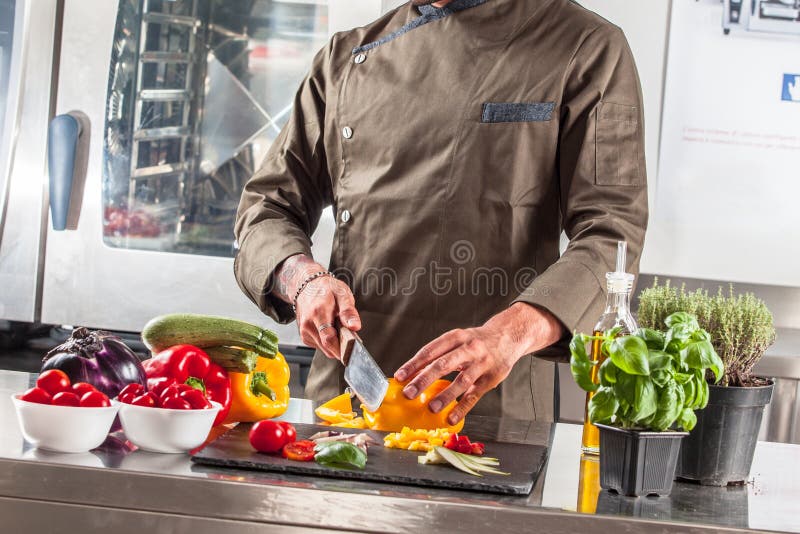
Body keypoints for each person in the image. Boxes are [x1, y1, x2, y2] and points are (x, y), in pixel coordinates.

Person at [234, 0, 648, 425]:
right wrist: (302, 280)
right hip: (345, 404)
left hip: (483, 409)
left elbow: (612, 231)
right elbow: (267, 206)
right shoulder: (345, 58)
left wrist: (510, 334)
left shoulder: (587, 46)